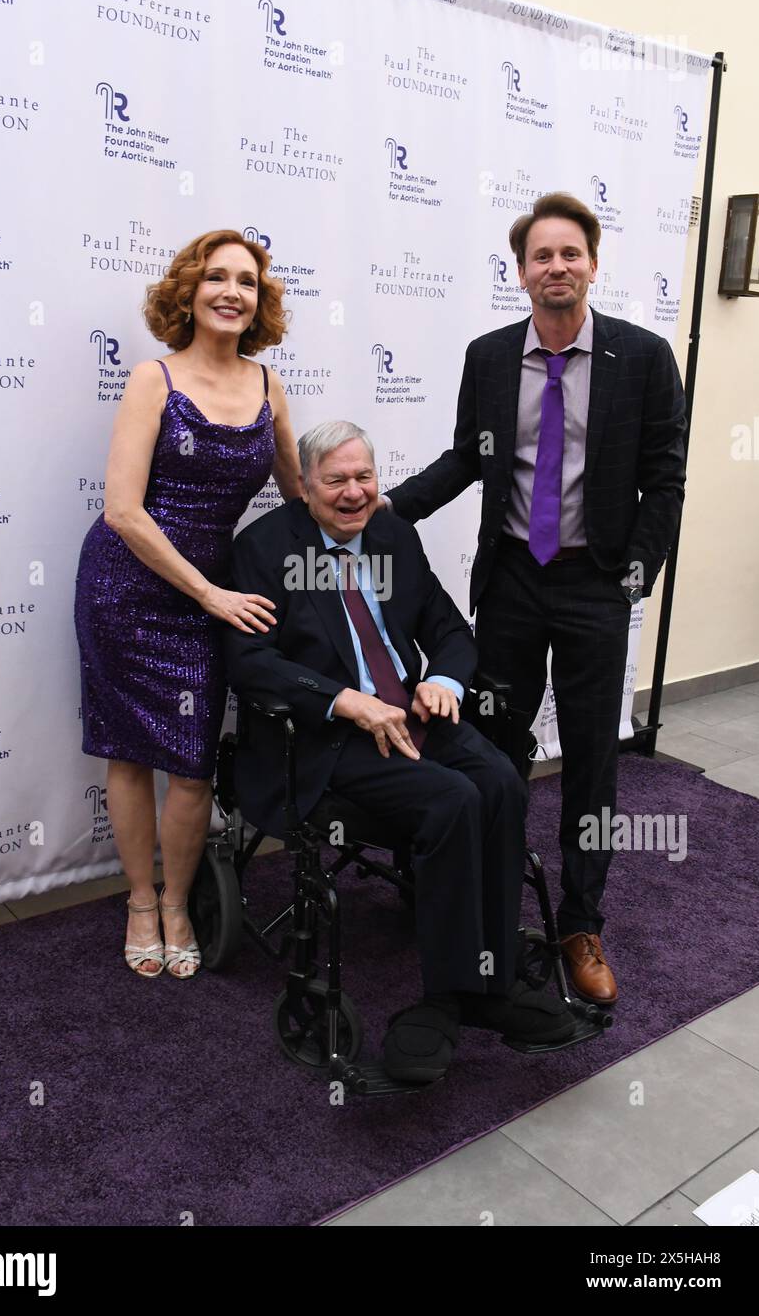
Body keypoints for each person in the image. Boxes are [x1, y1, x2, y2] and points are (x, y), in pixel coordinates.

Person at [385, 192, 687, 1006]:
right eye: (541, 257)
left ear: (592, 264)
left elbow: (666, 480)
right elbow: (465, 460)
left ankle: (580, 923)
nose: (557, 268)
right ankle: (489, 902)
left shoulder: (645, 357)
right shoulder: (489, 358)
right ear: (520, 272)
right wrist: (388, 509)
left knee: (592, 757)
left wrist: (635, 577)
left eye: (570, 254)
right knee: (494, 744)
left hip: (595, 584)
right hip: (512, 580)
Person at [225, 421, 575, 1083]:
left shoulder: (391, 534)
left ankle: (491, 978)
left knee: (500, 780)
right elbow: (248, 661)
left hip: (413, 712)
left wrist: (442, 681)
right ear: (304, 486)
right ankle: (447, 999)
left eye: (365, 477)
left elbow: (446, 627)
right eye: (337, 481)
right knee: (453, 800)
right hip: (333, 736)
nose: (356, 493)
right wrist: (343, 700)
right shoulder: (265, 551)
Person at [74, 229, 300, 979]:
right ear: (190, 292)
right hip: (128, 586)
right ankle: (142, 901)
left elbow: (301, 494)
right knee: (132, 754)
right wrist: (209, 594)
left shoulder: (269, 387)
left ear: (260, 301)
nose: (233, 291)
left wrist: (371, 518)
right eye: (217, 278)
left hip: (214, 594)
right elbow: (123, 512)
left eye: (248, 281)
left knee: (194, 765)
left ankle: (180, 900)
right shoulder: (153, 379)